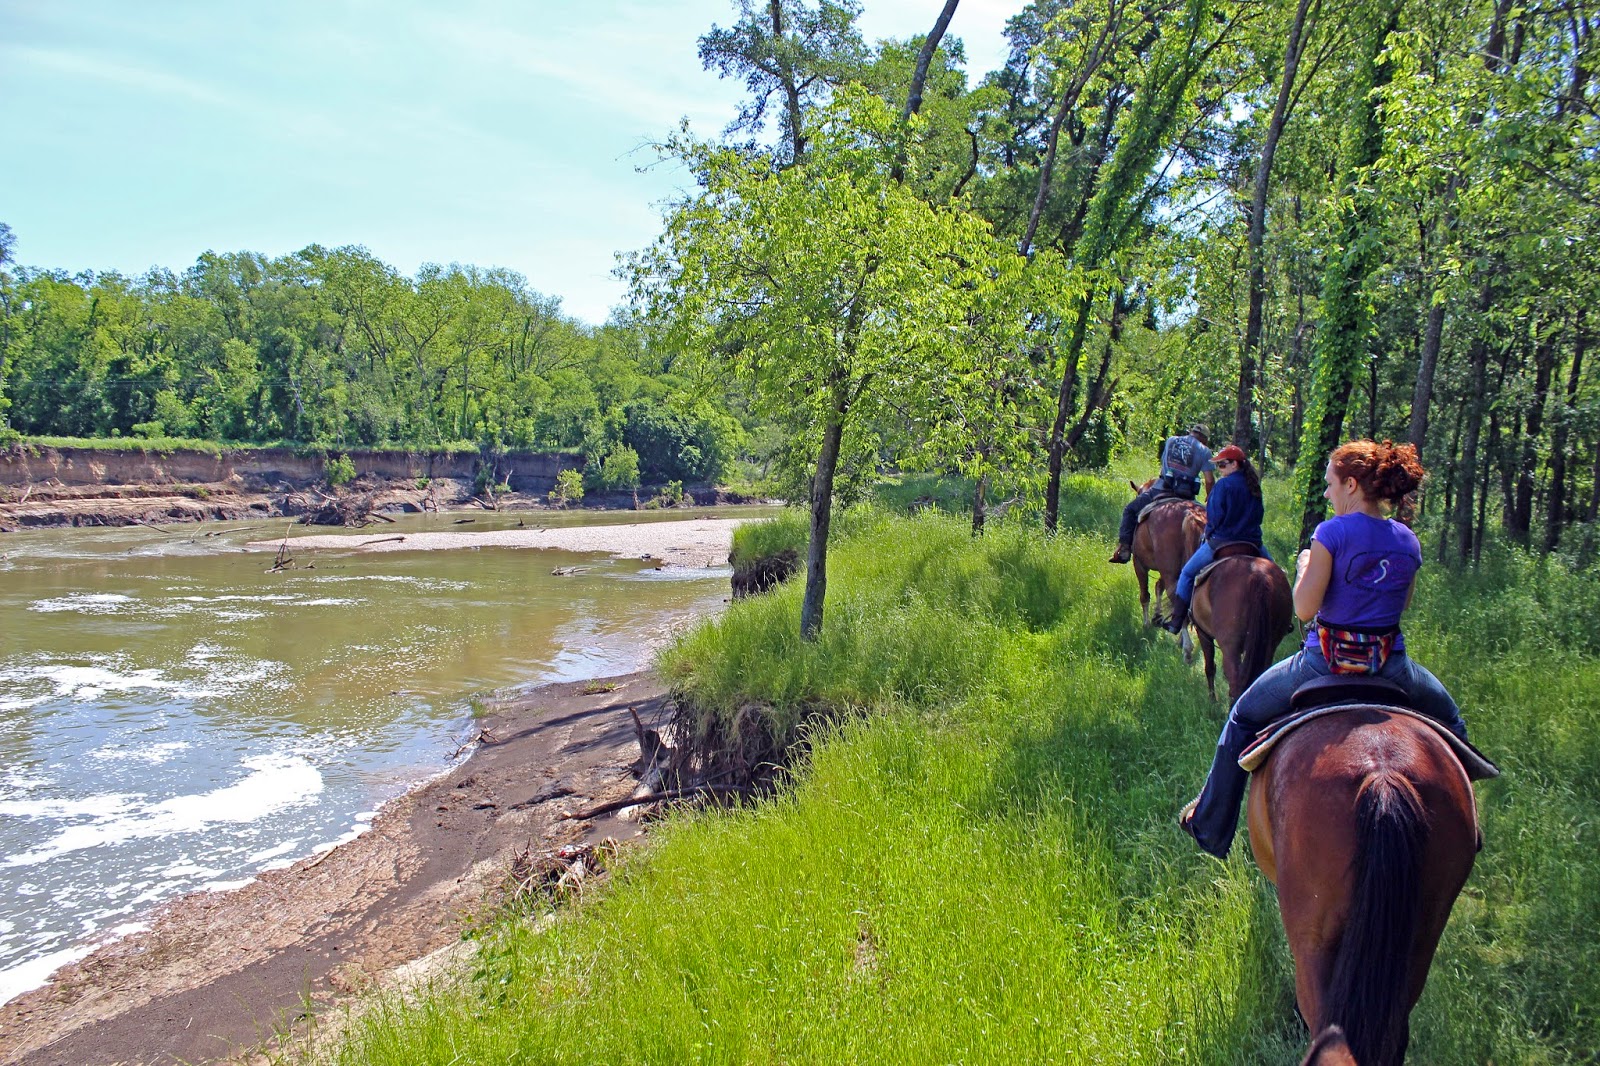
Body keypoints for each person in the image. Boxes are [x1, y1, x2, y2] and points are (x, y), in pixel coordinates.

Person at [1178, 439, 1472, 859]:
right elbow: (1402, 603)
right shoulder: (1408, 540)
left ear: (1351, 485)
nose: (1327, 493)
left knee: (1242, 715)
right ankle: (1465, 830)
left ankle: (1209, 823)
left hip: (1323, 663)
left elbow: (1303, 608)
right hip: (1390, 665)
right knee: (1454, 724)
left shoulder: (1330, 532)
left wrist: (1303, 568)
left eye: (1331, 484)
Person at [1162, 443, 1272, 634]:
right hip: (1252, 543)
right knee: (1275, 575)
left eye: (1222, 465)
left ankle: (1177, 620)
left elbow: (1214, 517)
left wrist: (1210, 532)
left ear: (1234, 464)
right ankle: (1282, 619)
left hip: (1222, 542)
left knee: (1187, 573)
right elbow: (1259, 516)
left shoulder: (1223, 485)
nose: (1219, 470)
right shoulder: (1254, 486)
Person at [1109, 424, 1215, 564]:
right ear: (1205, 440)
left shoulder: (1171, 440)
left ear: (1191, 432)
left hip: (1161, 489)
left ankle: (1124, 549)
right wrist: (1209, 496)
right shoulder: (1205, 451)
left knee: (1130, 510)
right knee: (1210, 521)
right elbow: (1209, 480)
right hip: (1187, 495)